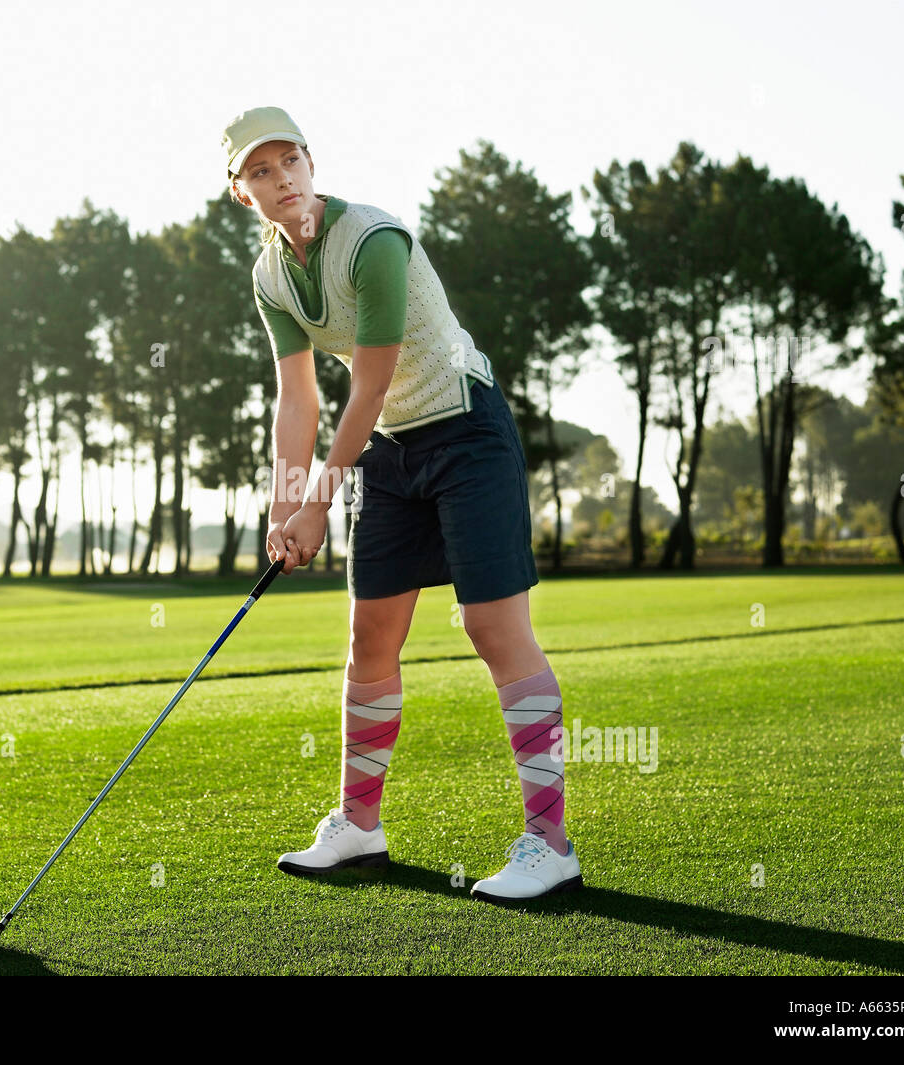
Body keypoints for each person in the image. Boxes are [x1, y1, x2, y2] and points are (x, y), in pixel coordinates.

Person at [223, 107, 581, 901]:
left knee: (492, 625)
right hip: (387, 450)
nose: (280, 178)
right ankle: (358, 826)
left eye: (290, 161)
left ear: (312, 165)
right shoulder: (270, 277)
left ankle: (549, 843)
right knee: (370, 634)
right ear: (242, 193)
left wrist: (319, 500)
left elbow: (371, 381)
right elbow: (297, 397)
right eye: (260, 171)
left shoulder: (374, 242)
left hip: (464, 429)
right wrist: (288, 505)